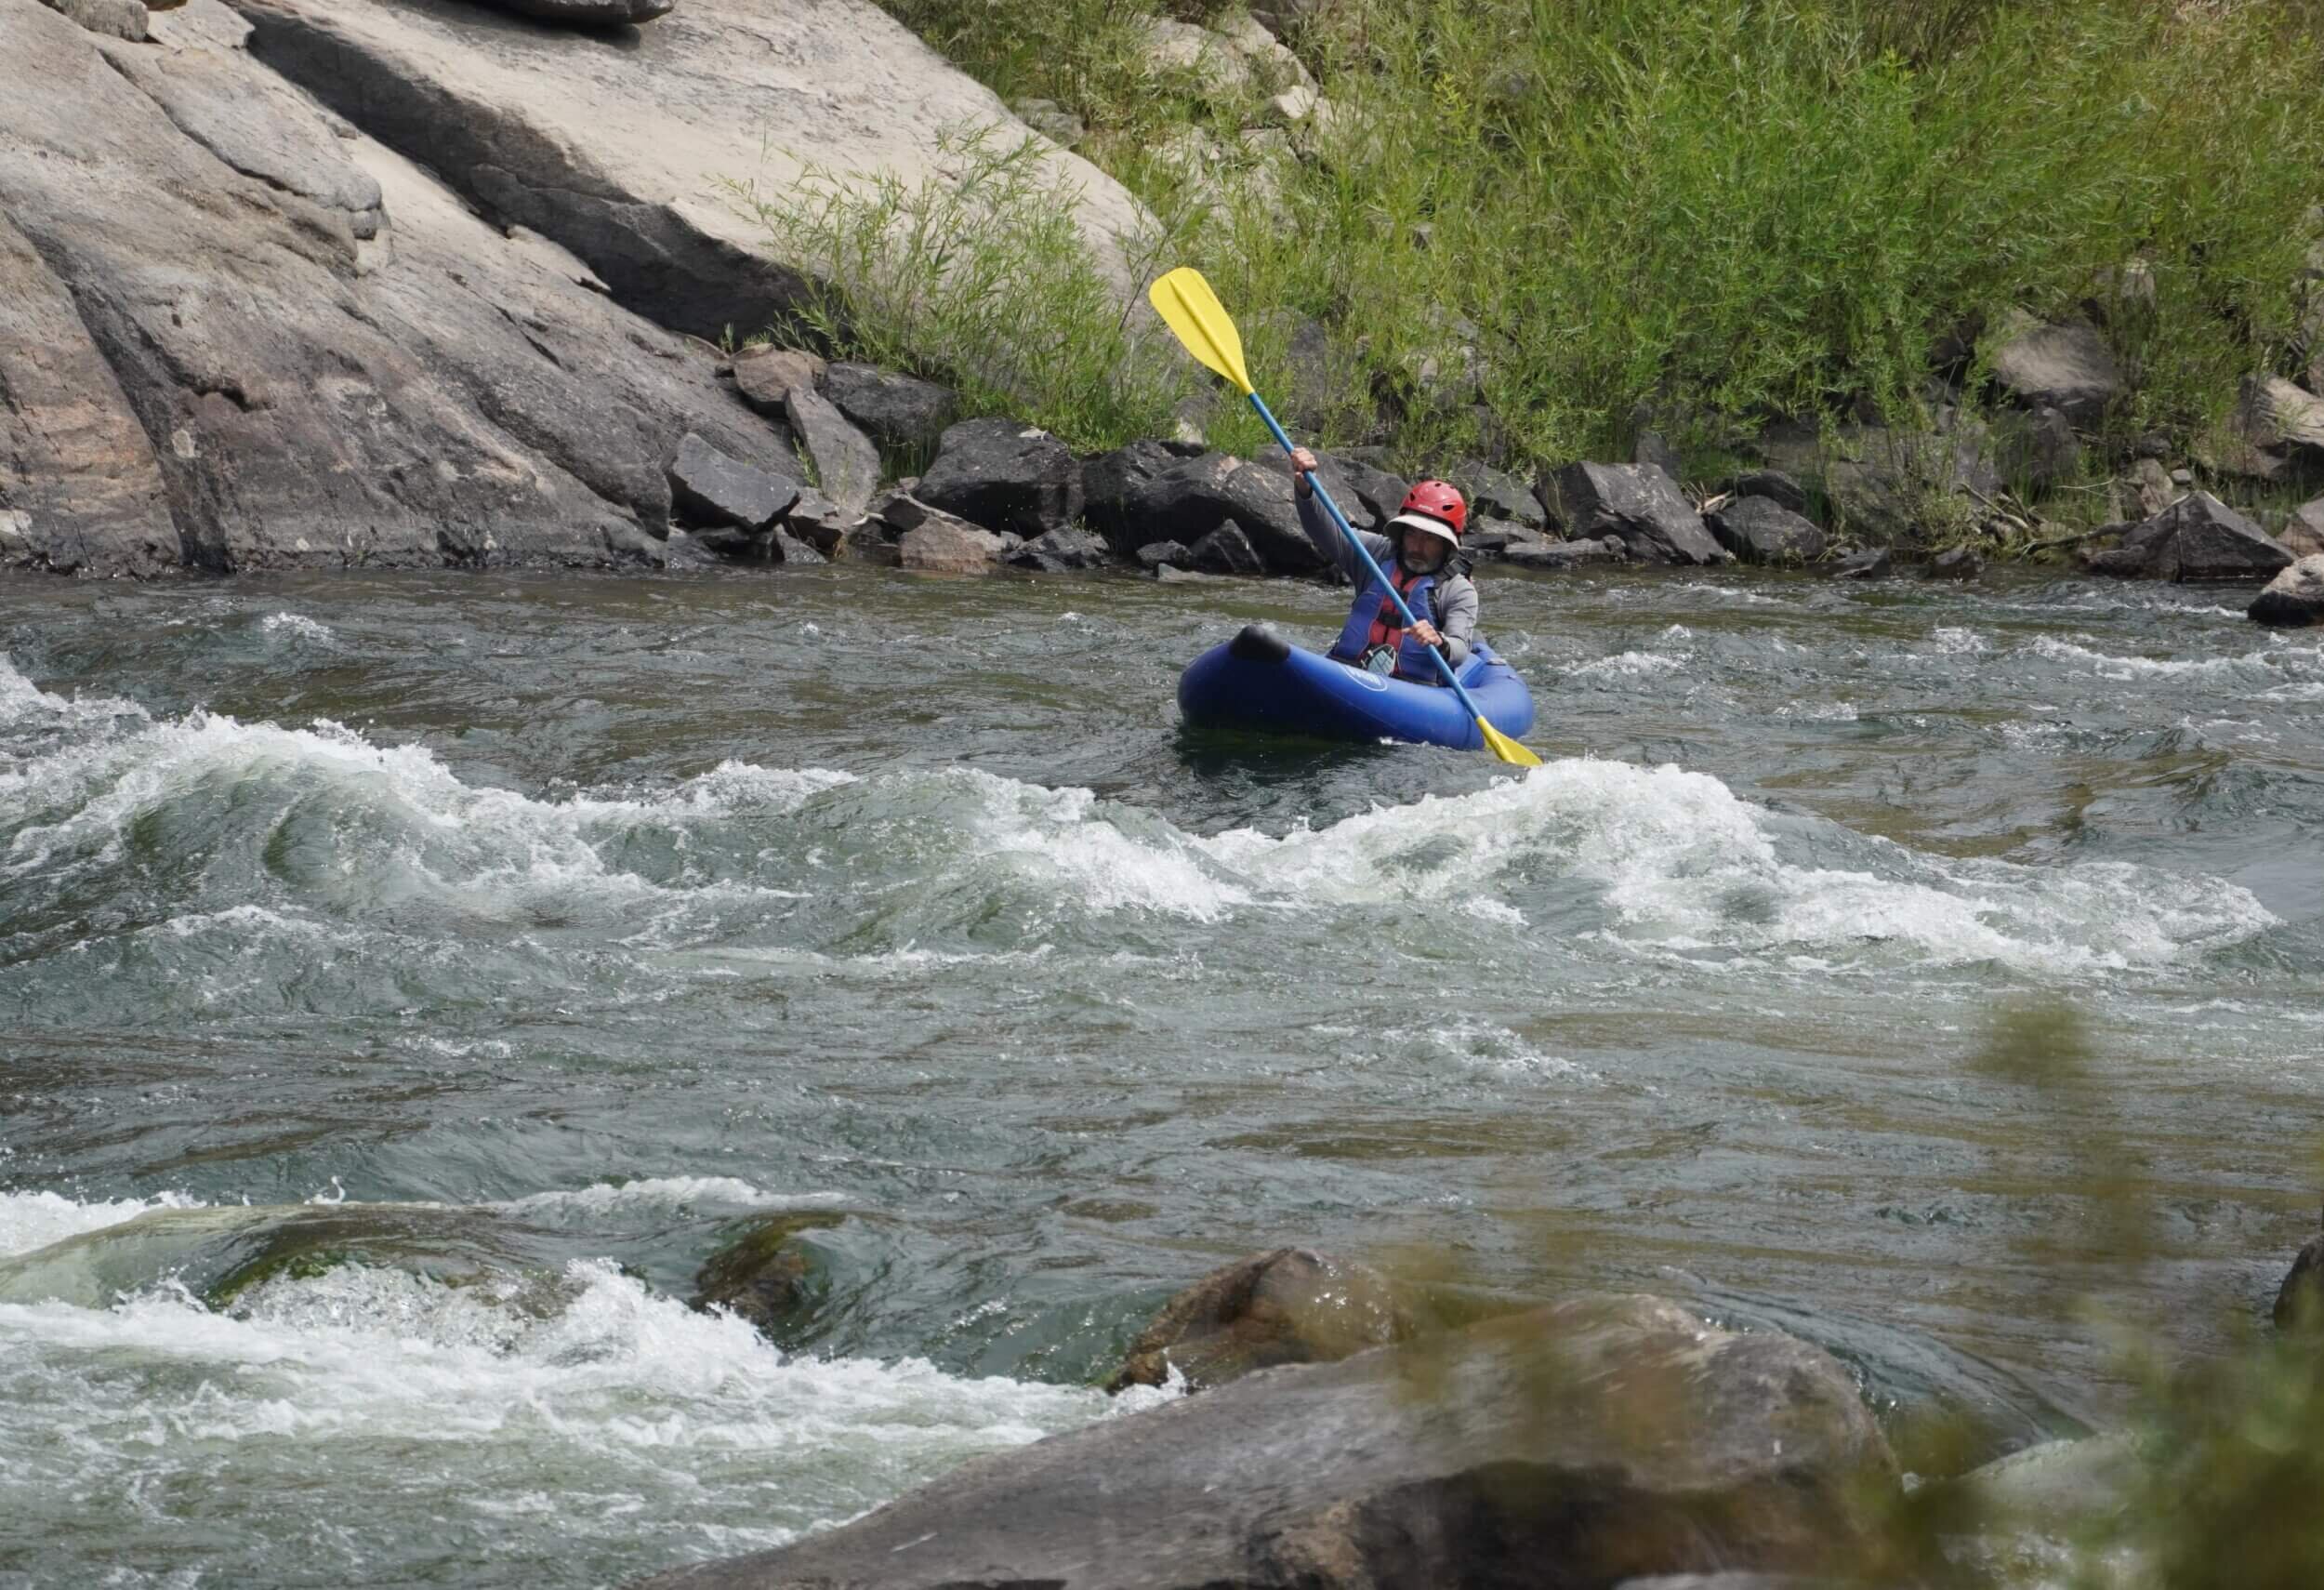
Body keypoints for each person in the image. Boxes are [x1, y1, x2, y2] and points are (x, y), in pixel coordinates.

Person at [1287, 447, 1477, 684]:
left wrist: (1440, 641)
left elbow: (1460, 647)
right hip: (1346, 671)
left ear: (1447, 545)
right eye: (1413, 534)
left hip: (1413, 690)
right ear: (1402, 532)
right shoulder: (1377, 554)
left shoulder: (1457, 589)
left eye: (1430, 539)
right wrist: (1306, 487)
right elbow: (1325, 530)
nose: (1418, 546)